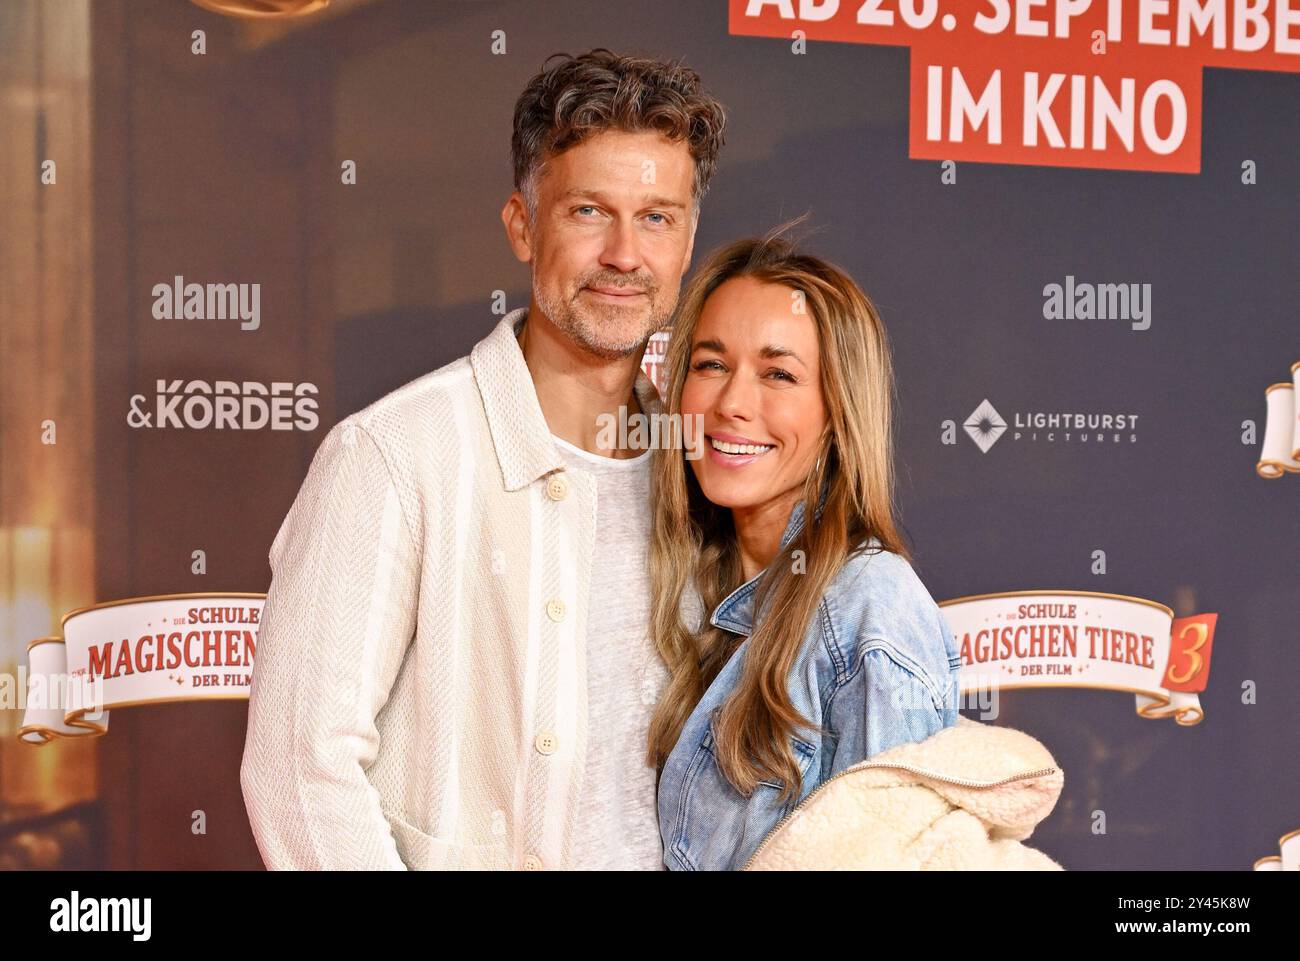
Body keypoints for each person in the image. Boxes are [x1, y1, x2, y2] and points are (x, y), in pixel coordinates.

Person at [239, 48, 726, 871]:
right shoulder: (392, 456)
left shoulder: (701, 468)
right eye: (586, 212)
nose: (623, 253)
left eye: (656, 217)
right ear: (522, 226)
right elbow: (297, 770)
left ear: (685, 242)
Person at [647, 222, 964, 870]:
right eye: (711, 364)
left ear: (837, 412)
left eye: (778, 374)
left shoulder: (872, 606)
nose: (732, 402)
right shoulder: (692, 589)